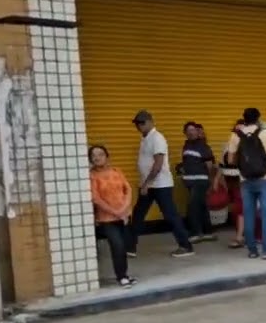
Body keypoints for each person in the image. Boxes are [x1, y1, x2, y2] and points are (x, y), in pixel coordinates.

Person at [127, 110, 194, 258]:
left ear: (151, 122)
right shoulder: (145, 139)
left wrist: (146, 184)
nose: (139, 126)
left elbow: (158, 164)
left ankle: (186, 246)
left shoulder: (157, 138)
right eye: (137, 123)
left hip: (160, 185)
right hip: (148, 185)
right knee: (138, 215)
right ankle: (130, 247)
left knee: (171, 216)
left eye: (142, 123)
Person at [226, 107, 266, 259]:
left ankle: (252, 251)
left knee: (248, 214)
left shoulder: (236, 135)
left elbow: (230, 160)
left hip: (246, 180)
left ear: (244, 119)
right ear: (258, 118)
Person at [88, 145, 136, 287]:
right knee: (117, 246)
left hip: (124, 216)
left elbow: (127, 189)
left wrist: (125, 208)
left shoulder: (116, 171)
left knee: (124, 246)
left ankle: (125, 275)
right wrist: (116, 212)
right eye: (94, 155)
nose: (97, 158)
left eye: (101, 154)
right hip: (107, 219)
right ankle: (121, 276)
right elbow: (96, 198)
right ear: (90, 159)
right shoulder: (92, 176)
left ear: (107, 156)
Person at [178, 121, 216, 243]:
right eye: (188, 131)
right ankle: (207, 232)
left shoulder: (203, 147)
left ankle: (195, 233)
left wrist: (211, 181)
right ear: (185, 133)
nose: (191, 132)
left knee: (193, 207)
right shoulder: (186, 146)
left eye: (193, 130)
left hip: (200, 181)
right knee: (202, 206)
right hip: (190, 181)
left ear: (198, 132)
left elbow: (210, 165)